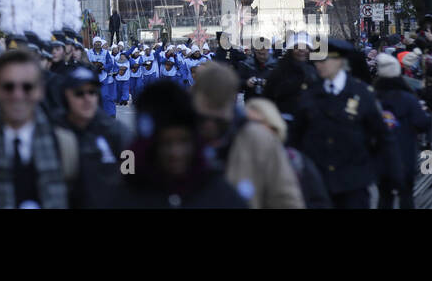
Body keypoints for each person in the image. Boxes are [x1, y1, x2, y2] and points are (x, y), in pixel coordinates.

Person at [0, 48, 92, 208]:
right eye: (8, 87)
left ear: (39, 91)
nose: (17, 95)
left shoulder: (65, 144)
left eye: (27, 87)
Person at [110, 79, 246, 209]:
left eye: (184, 141)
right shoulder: (127, 196)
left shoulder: (219, 194)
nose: (176, 152)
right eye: (166, 143)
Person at [192, 61, 304, 208]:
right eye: (207, 105)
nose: (211, 117)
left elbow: (285, 199)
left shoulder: (259, 140)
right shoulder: (182, 139)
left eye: (218, 105)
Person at [292, 39, 388, 209]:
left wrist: (390, 175)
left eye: (323, 60)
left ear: (338, 61)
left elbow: (381, 136)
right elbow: (296, 136)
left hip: (353, 183)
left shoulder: (361, 93)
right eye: (316, 61)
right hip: (318, 183)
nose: (318, 65)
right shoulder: (310, 93)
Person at [56, 64, 128, 201]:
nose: (87, 98)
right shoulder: (54, 131)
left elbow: (131, 174)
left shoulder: (115, 131)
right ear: (65, 96)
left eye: (92, 92)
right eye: (79, 93)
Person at [372, 52, 429, 209]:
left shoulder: (372, 98)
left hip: (380, 157)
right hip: (404, 155)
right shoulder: (408, 99)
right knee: (406, 196)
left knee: (384, 196)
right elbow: (422, 123)